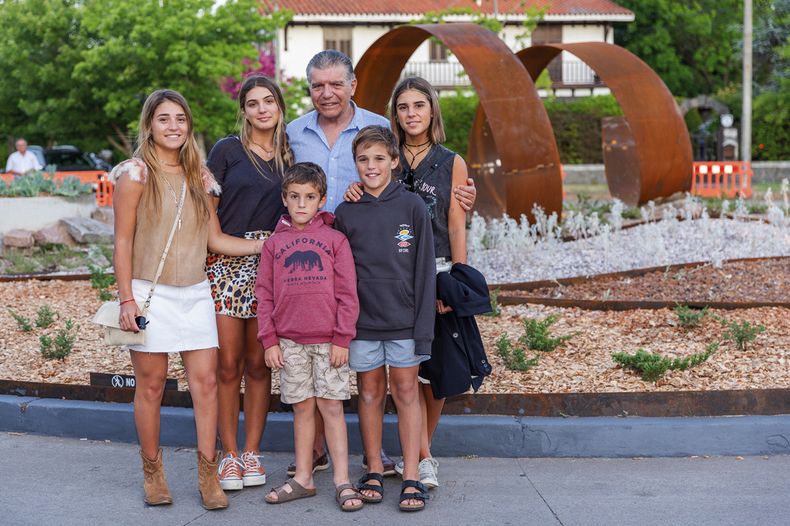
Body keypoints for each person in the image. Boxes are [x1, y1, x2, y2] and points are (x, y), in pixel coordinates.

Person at [286, 49, 476, 475]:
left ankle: (421, 457)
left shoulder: (384, 133)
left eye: (337, 83)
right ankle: (334, 454)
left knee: (431, 370)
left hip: (417, 272)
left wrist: (457, 271)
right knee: (341, 368)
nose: (327, 92)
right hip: (341, 272)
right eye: (318, 85)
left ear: (353, 85)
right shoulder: (294, 132)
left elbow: (447, 213)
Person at [112, 89, 264, 510]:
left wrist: (265, 247)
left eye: (181, 118)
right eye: (164, 118)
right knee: (152, 385)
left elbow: (213, 238)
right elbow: (122, 241)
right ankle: (153, 472)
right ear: (149, 125)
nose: (174, 126)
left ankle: (207, 474)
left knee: (206, 385)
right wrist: (127, 299)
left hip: (197, 292)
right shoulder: (135, 174)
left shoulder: (201, 177)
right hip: (148, 293)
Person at [344, 77, 474, 490]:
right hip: (391, 275)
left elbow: (456, 222)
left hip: (432, 269)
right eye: (403, 106)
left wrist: (458, 280)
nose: (412, 113)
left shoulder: (451, 160)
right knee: (403, 375)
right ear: (394, 114)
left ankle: (422, 455)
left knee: (432, 371)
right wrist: (354, 188)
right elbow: (373, 196)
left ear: (432, 110)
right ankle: (406, 456)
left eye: (419, 105)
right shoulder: (386, 154)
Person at [334, 125, 436, 512]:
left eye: (379, 158)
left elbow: (425, 272)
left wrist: (423, 330)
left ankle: (411, 474)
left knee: (407, 392)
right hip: (362, 323)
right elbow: (340, 276)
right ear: (355, 164)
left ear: (395, 161)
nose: (371, 166)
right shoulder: (346, 212)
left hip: (405, 322)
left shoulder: (412, 207)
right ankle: (374, 467)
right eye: (363, 159)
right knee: (370, 393)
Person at [255, 162, 364, 511]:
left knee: (331, 407)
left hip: (329, 341)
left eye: (310, 197)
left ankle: (342, 481)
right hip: (289, 342)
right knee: (301, 407)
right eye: (295, 196)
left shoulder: (335, 240)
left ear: (321, 199)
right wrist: (269, 340)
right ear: (284, 199)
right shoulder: (274, 245)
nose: (302, 204)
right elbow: (265, 295)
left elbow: (348, 294)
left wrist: (342, 338)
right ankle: (303, 477)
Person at [205, 75, 293, 491]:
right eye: (253, 103)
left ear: (279, 106)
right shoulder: (226, 151)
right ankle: (229, 454)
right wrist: (254, 247)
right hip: (227, 263)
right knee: (228, 365)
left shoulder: (290, 154)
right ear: (243, 110)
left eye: (269, 101)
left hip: (273, 270)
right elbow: (209, 223)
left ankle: (253, 453)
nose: (262, 109)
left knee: (260, 365)